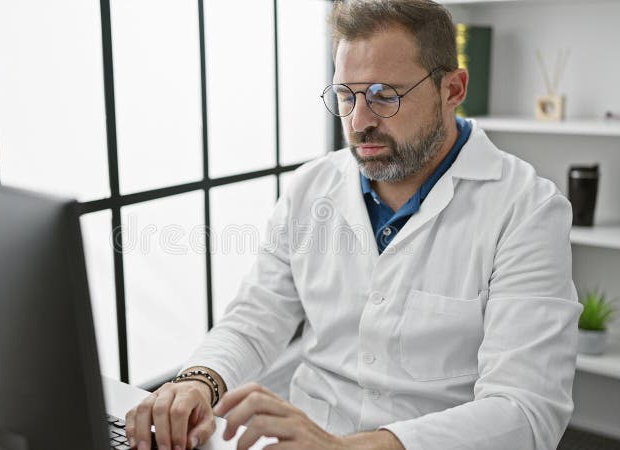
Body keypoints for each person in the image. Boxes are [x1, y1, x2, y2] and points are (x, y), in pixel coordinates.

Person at [125, 1, 582, 449]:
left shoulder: (527, 209)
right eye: (346, 95)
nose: (360, 121)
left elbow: (526, 411)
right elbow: (255, 317)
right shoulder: (310, 188)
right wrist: (198, 383)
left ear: (453, 90)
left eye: (386, 95)